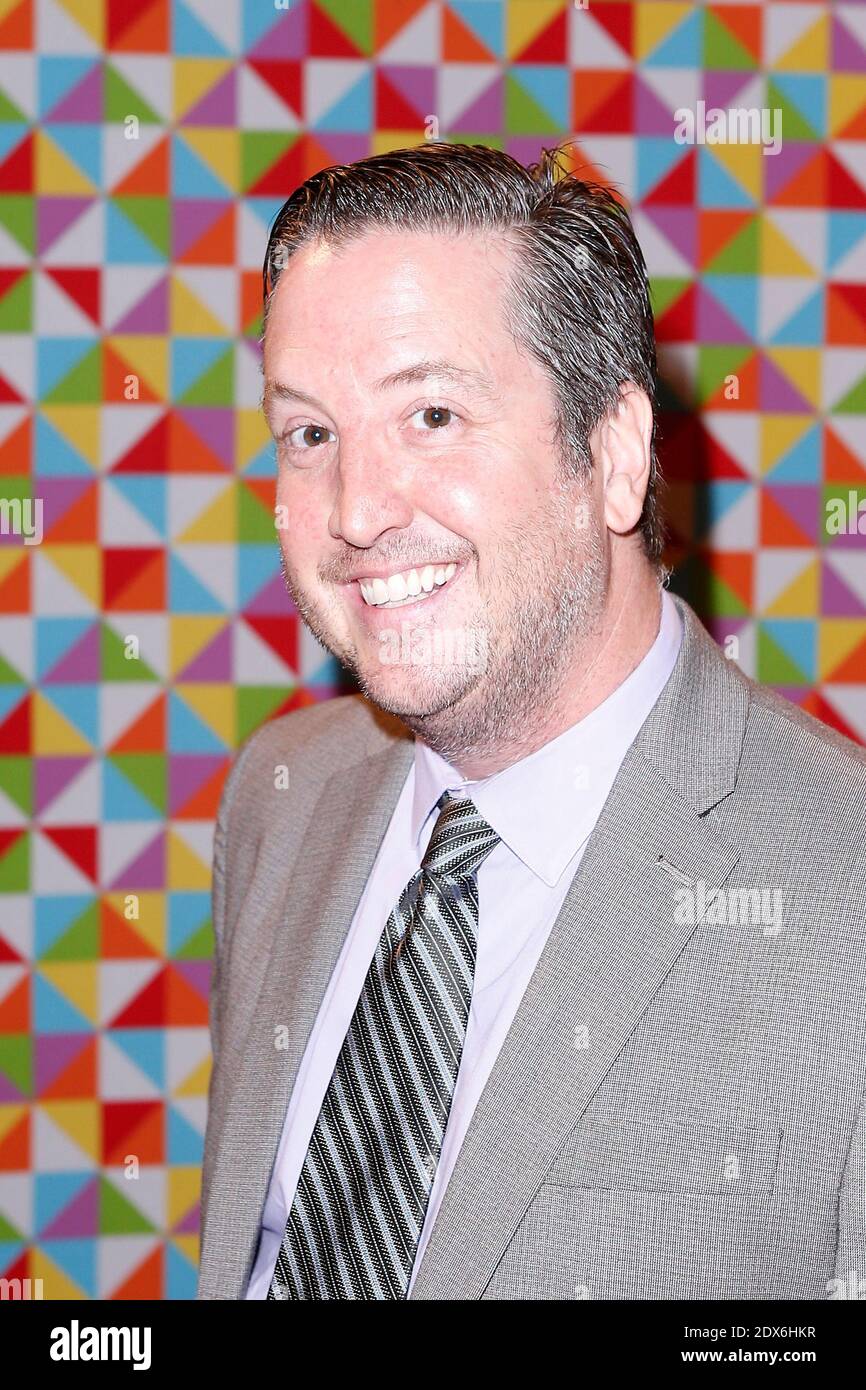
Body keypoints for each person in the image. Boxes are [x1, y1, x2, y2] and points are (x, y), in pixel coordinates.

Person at [197, 142, 866, 1301]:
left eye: (434, 414)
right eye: (309, 432)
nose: (354, 512)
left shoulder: (840, 886)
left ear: (610, 456)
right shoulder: (278, 796)